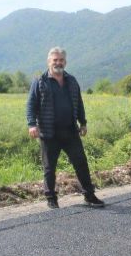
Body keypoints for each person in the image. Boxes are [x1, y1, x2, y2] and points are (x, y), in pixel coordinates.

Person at [26, 47, 105, 209]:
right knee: (49, 167)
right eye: (55, 60)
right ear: (49, 62)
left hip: (70, 131)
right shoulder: (40, 81)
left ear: (65, 62)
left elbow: (79, 103)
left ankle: (89, 195)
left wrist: (83, 123)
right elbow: (31, 104)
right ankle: (51, 198)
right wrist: (31, 124)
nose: (58, 62)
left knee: (81, 163)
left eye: (61, 60)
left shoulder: (71, 80)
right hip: (49, 132)